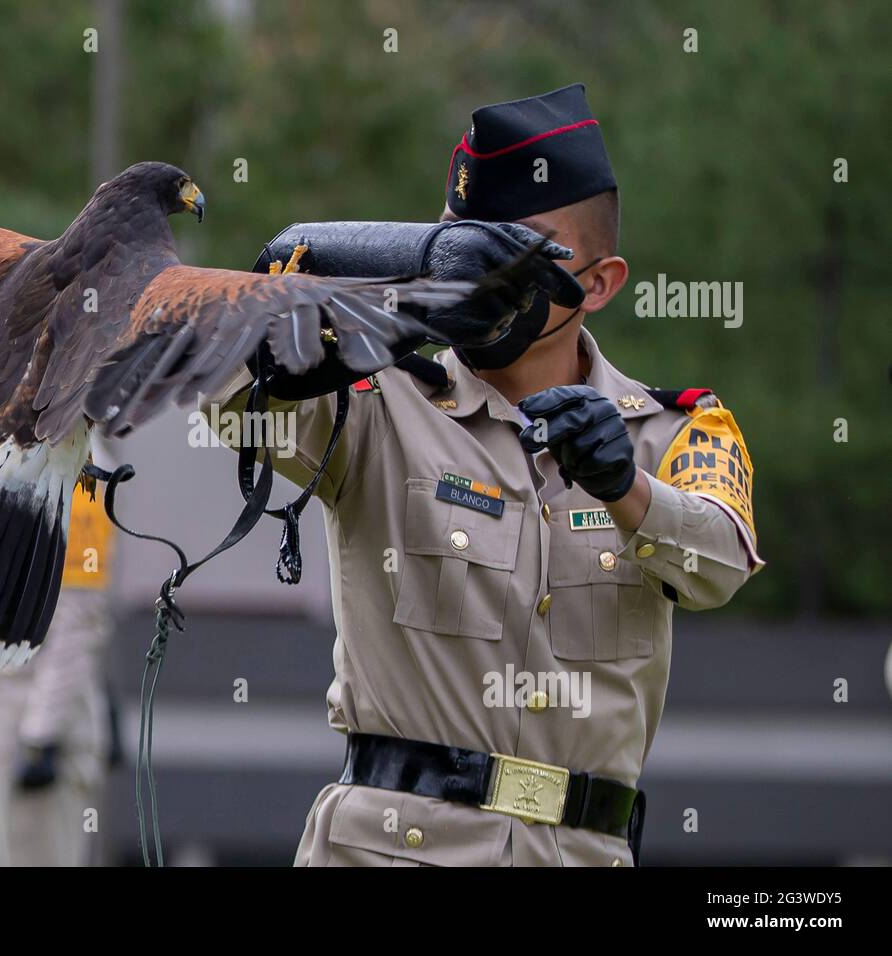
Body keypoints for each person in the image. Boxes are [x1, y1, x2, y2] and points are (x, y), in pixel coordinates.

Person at [212, 85, 762, 866]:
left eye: (522, 250)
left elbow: (722, 565)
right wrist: (384, 302)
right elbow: (230, 399)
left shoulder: (672, 430)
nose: (486, 273)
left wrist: (626, 490)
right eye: (467, 245)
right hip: (390, 846)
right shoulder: (380, 403)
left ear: (599, 284)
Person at [0, 481, 117, 867]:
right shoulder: (9, 443)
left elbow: (80, 621)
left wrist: (40, 736)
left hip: (30, 746)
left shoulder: (79, 454)